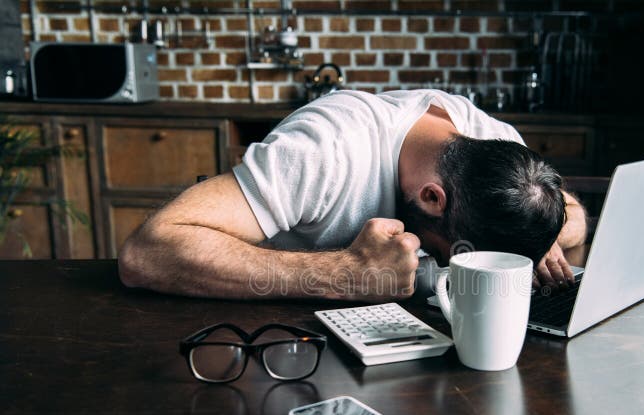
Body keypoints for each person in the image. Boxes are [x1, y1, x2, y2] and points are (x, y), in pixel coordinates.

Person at [118, 89, 587, 301]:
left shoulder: (489, 137)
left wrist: (534, 228)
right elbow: (148, 252)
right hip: (293, 355)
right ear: (431, 198)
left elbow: (573, 215)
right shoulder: (327, 150)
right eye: (458, 254)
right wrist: (345, 273)